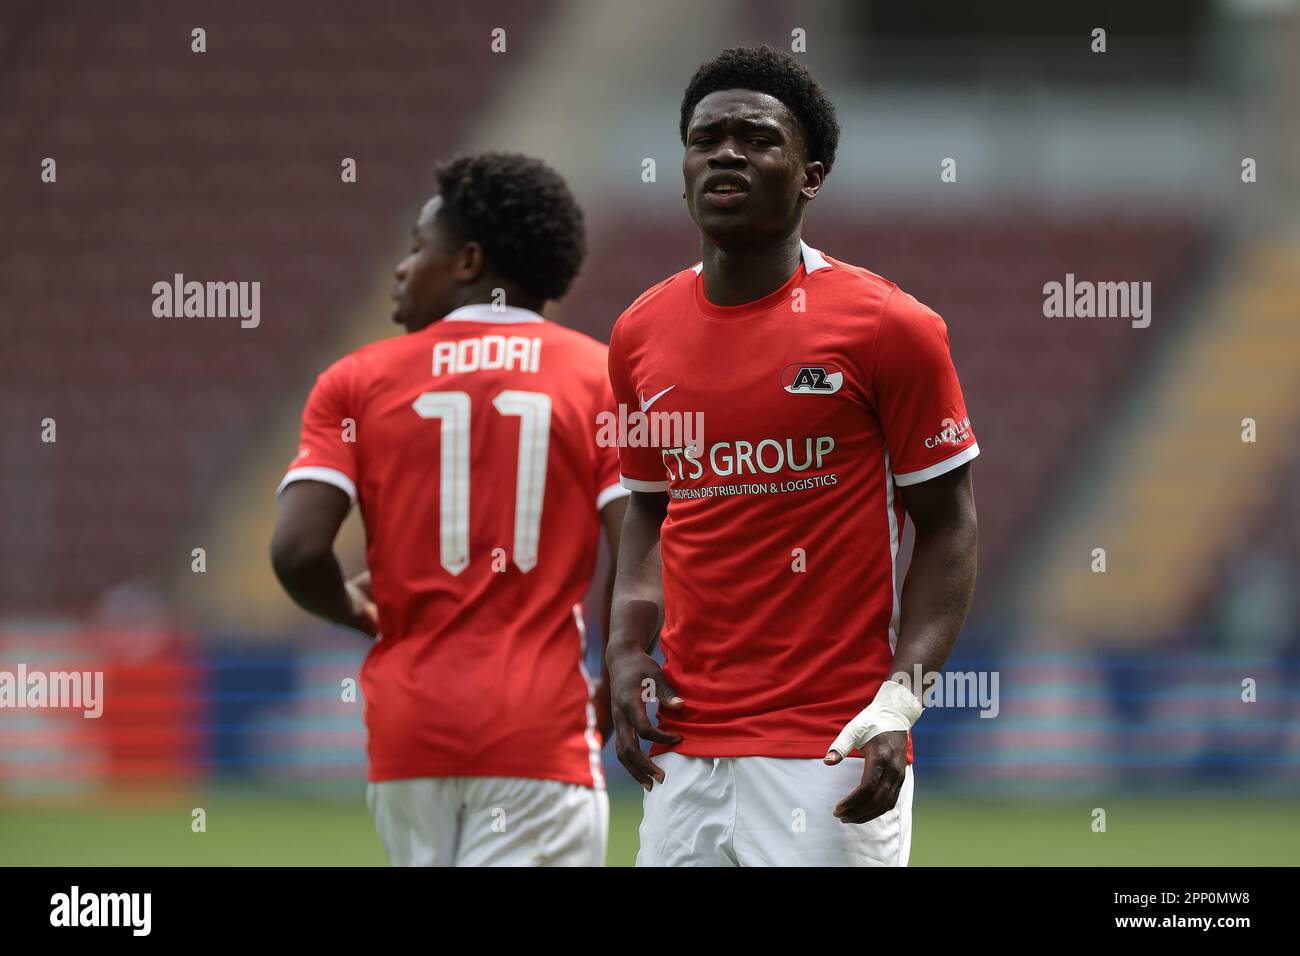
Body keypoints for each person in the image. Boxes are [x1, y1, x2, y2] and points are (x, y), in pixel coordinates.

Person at [605, 46, 979, 866]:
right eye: (706, 139)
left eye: (757, 138)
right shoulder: (639, 333)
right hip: (682, 752)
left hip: (831, 749)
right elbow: (646, 509)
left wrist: (900, 703)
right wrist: (628, 646)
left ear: (810, 176)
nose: (727, 152)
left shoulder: (889, 326)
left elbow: (949, 528)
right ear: (682, 171)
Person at [271, 153, 627, 866]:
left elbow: (297, 552)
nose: (401, 270)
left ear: (468, 260)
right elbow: (646, 546)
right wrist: (618, 674)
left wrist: (353, 609)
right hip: (539, 729)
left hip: (408, 736)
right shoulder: (602, 377)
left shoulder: (356, 379)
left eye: (415, 248)